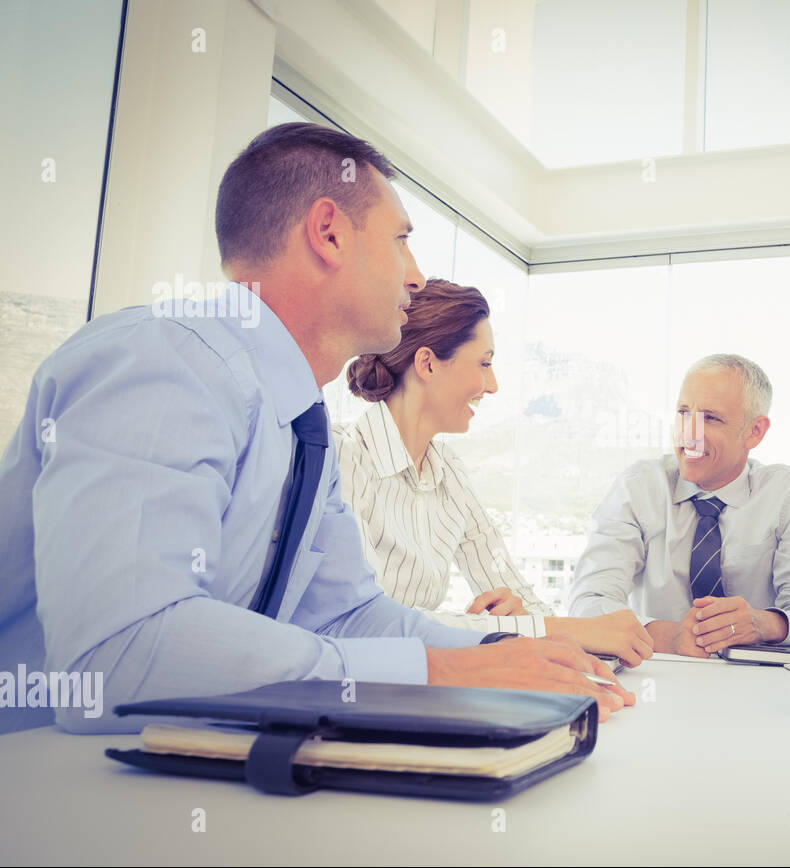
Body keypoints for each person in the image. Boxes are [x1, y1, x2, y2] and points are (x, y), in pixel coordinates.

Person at [0, 122, 630, 734]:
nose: (415, 275)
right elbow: (121, 655)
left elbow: (347, 616)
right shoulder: (162, 362)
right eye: (401, 240)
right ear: (329, 233)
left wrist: (499, 657)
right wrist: (438, 672)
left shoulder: (302, 424)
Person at [335, 278, 655, 666]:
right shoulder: (345, 458)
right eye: (484, 364)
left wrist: (523, 618)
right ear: (428, 363)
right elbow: (364, 623)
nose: (493, 385)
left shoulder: (448, 474)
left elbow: (523, 599)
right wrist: (550, 630)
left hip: (426, 682)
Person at [569, 354, 790, 656]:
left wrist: (765, 624)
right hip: (657, 676)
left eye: (711, 418)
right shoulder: (639, 487)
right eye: (684, 413)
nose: (689, 435)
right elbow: (588, 603)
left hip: (760, 685)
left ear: (755, 432)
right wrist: (668, 637)